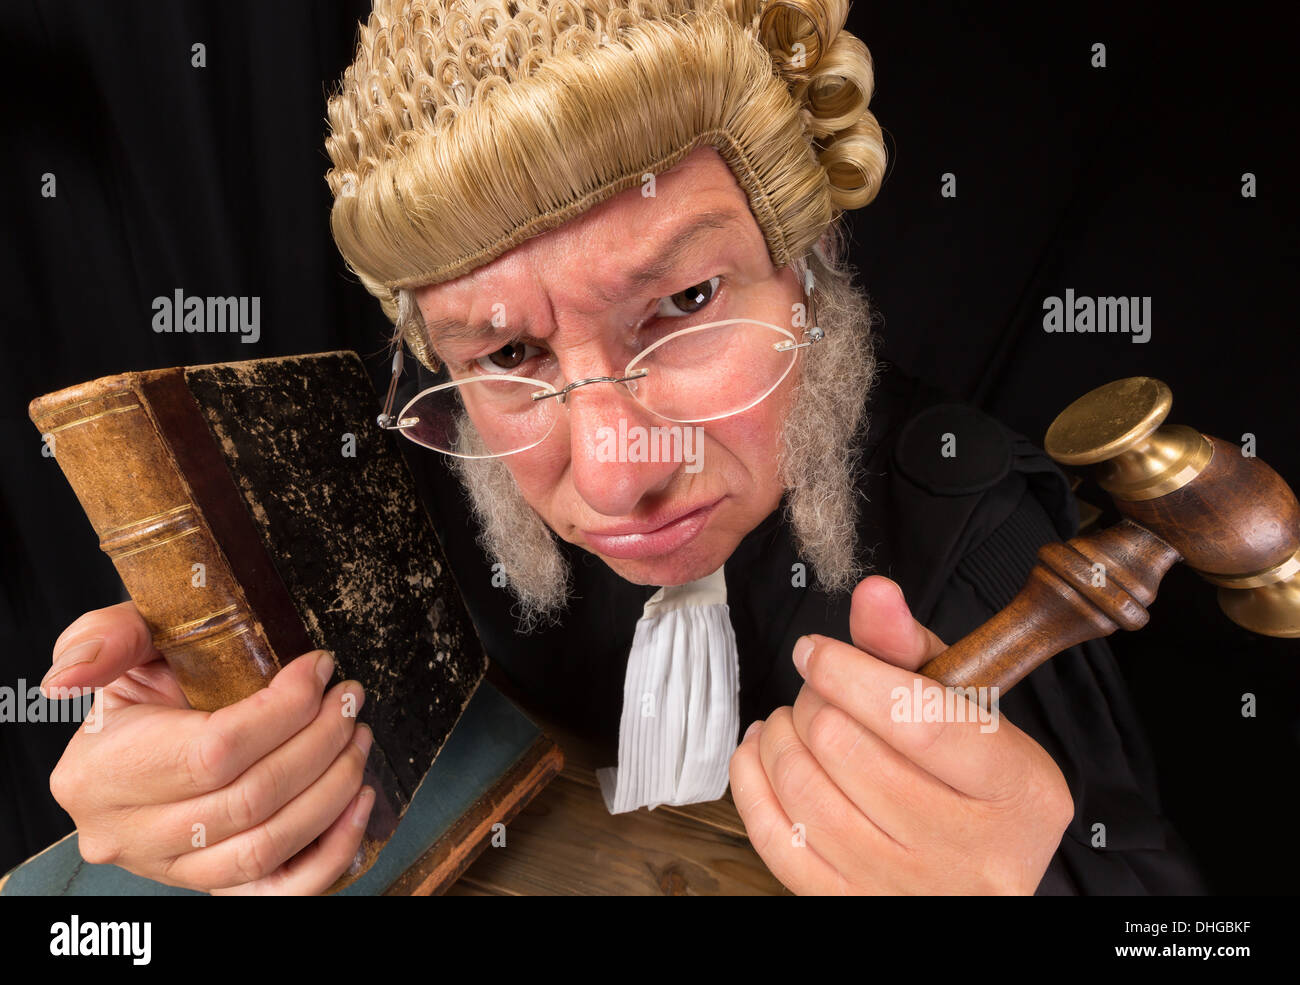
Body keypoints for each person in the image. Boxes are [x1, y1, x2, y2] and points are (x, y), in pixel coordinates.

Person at [38, 0, 1204, 894]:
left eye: (686, 298)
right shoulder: (419, 502)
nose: (614, 475)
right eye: (506, 357)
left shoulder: (983, 541)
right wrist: (192, 782)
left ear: (803, 270)